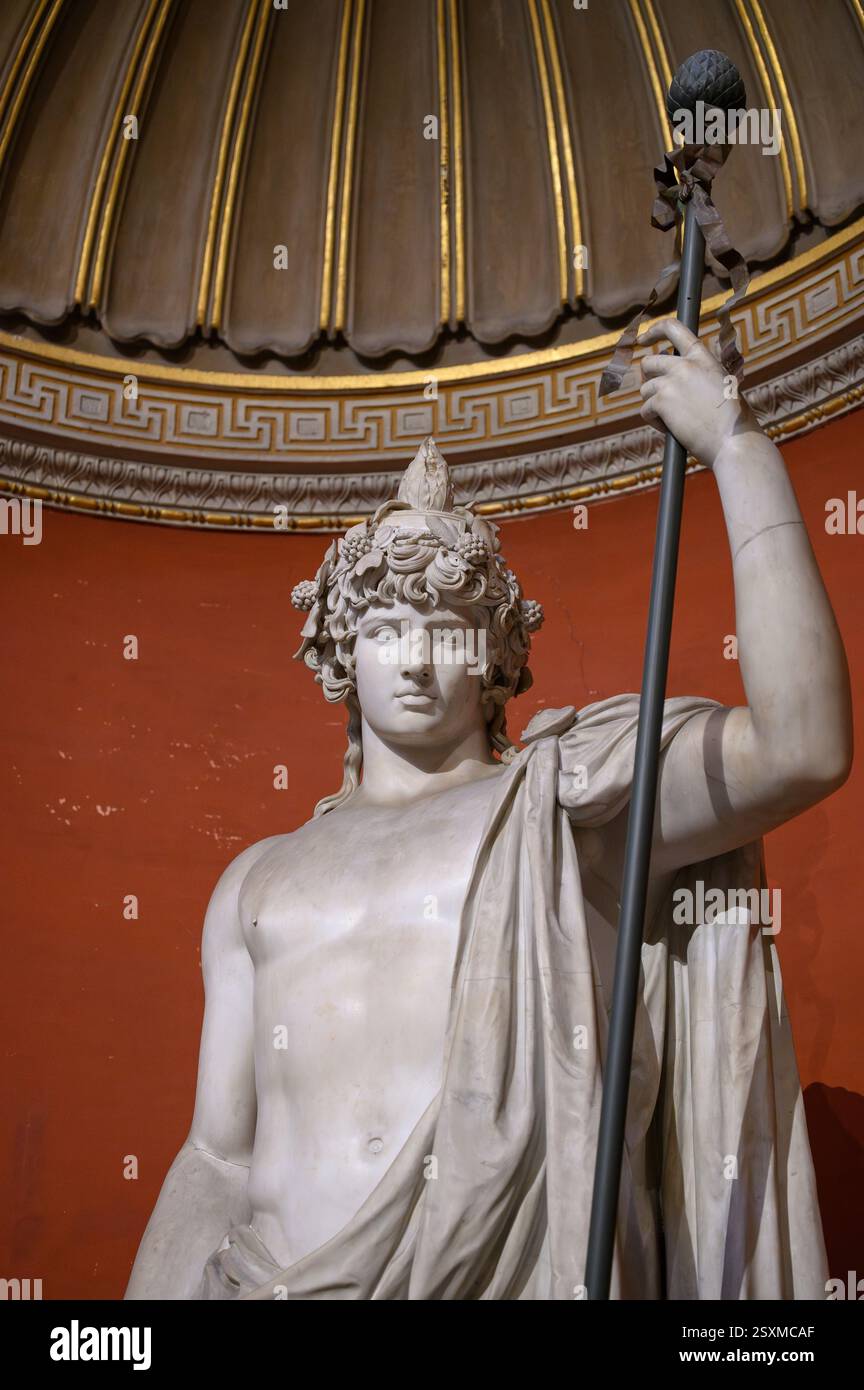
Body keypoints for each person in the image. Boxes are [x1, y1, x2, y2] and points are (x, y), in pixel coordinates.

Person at [125, 320, 852, 1300]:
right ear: (344, 654)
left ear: (498, 657)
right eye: (387, 627)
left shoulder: (565, 802)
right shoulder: (258, 878)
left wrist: (736, 448)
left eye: (451, 629)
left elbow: (802, 746)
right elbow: (215, 1157)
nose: (419, 660)